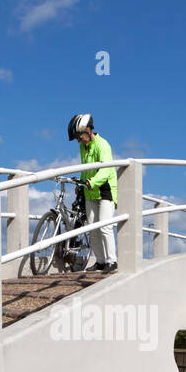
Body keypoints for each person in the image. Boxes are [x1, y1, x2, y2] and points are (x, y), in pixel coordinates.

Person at [69, 113, 117, 272]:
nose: (78, 140)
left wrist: (90, 183)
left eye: (79, 136)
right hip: (90, 191)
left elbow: (105, 171)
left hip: (105, 191)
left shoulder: (103, 145)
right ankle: (101, 261)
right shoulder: (83, 146)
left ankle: (112, 261)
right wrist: (82, 186)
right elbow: (85, 169)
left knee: (105, 226)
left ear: (88, 130)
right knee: (93, 228)